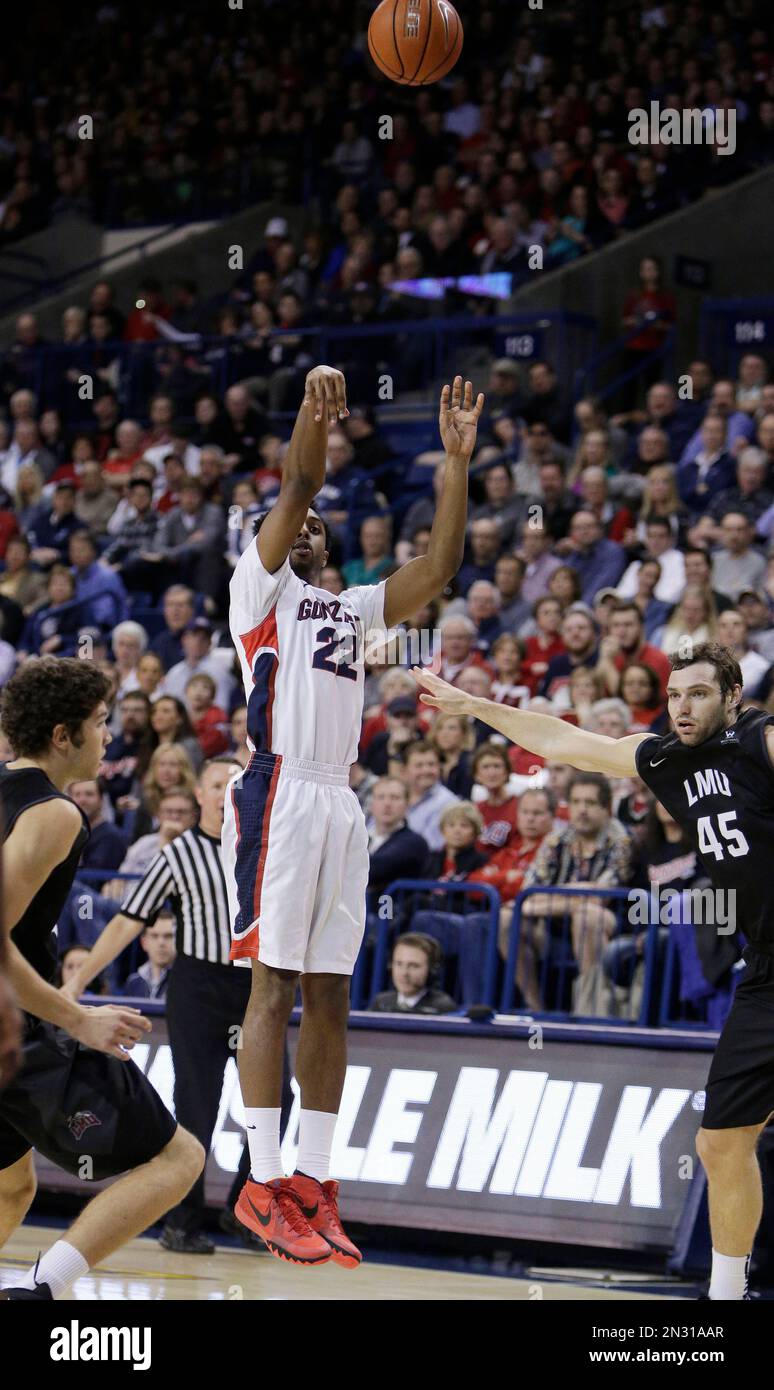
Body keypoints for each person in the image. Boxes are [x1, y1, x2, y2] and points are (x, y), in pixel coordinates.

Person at [413, 641, 774, 1302]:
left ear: (732, 697)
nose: (683, 707)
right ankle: (727, 1296)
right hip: (767, 971)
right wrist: (473, 704)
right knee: (722, 1143)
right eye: (674, 695)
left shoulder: (757, 738)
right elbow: (562, 741)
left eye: (699, 694)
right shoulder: (664, 757)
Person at [221, 365, 482, 1265]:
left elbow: (441, 567)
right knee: (273, 985)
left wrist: (453, 468)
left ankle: (315, 1183)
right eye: (296, 525)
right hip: (278, 790)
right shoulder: (259, 594)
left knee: (331, 990)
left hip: (340, 798)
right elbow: (299, 483)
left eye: (322, 529)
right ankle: (259, 1181)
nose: (309, 528)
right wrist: (311, 417)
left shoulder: (351, 608)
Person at [0, 656, 203, 1300]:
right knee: (181, 1160)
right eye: (100, 723)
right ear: (63, 736)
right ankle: (43, 1292)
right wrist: (76, 1017)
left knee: (12, 1184)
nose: (109, 736)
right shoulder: (55, 814)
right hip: (16, 1030)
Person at [62, 755, 291, 1254]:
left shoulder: (264, 848)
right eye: (217, 782)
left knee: (279, 1100)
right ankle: (181, 1223)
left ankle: (244, 1210)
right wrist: (80, 979)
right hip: (198, 990)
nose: (228, 789)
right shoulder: (178, 853)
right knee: (197, 1106)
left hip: (255, 989)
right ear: (203, 797)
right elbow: (129, 919)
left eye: (236, 781)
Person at [370, 934, 456, 1015]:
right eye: (399, 964)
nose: (404, 973)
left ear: (432, 971)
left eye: (414, 966)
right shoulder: (381, 1003)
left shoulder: (442, 1007)